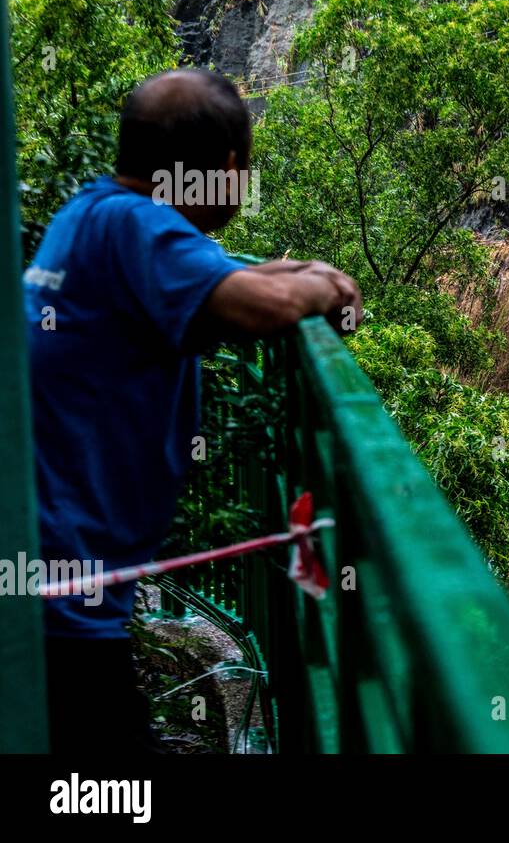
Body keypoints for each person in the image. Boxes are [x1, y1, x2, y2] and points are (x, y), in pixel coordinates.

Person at [24, 69, 361, 753]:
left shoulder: (93, 212)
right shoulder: (139, 227)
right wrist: (327, 286)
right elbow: (265, 305)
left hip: (53, 573)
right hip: (64, 597)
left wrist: (300, 274)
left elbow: (223, 276)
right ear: (228, 169)